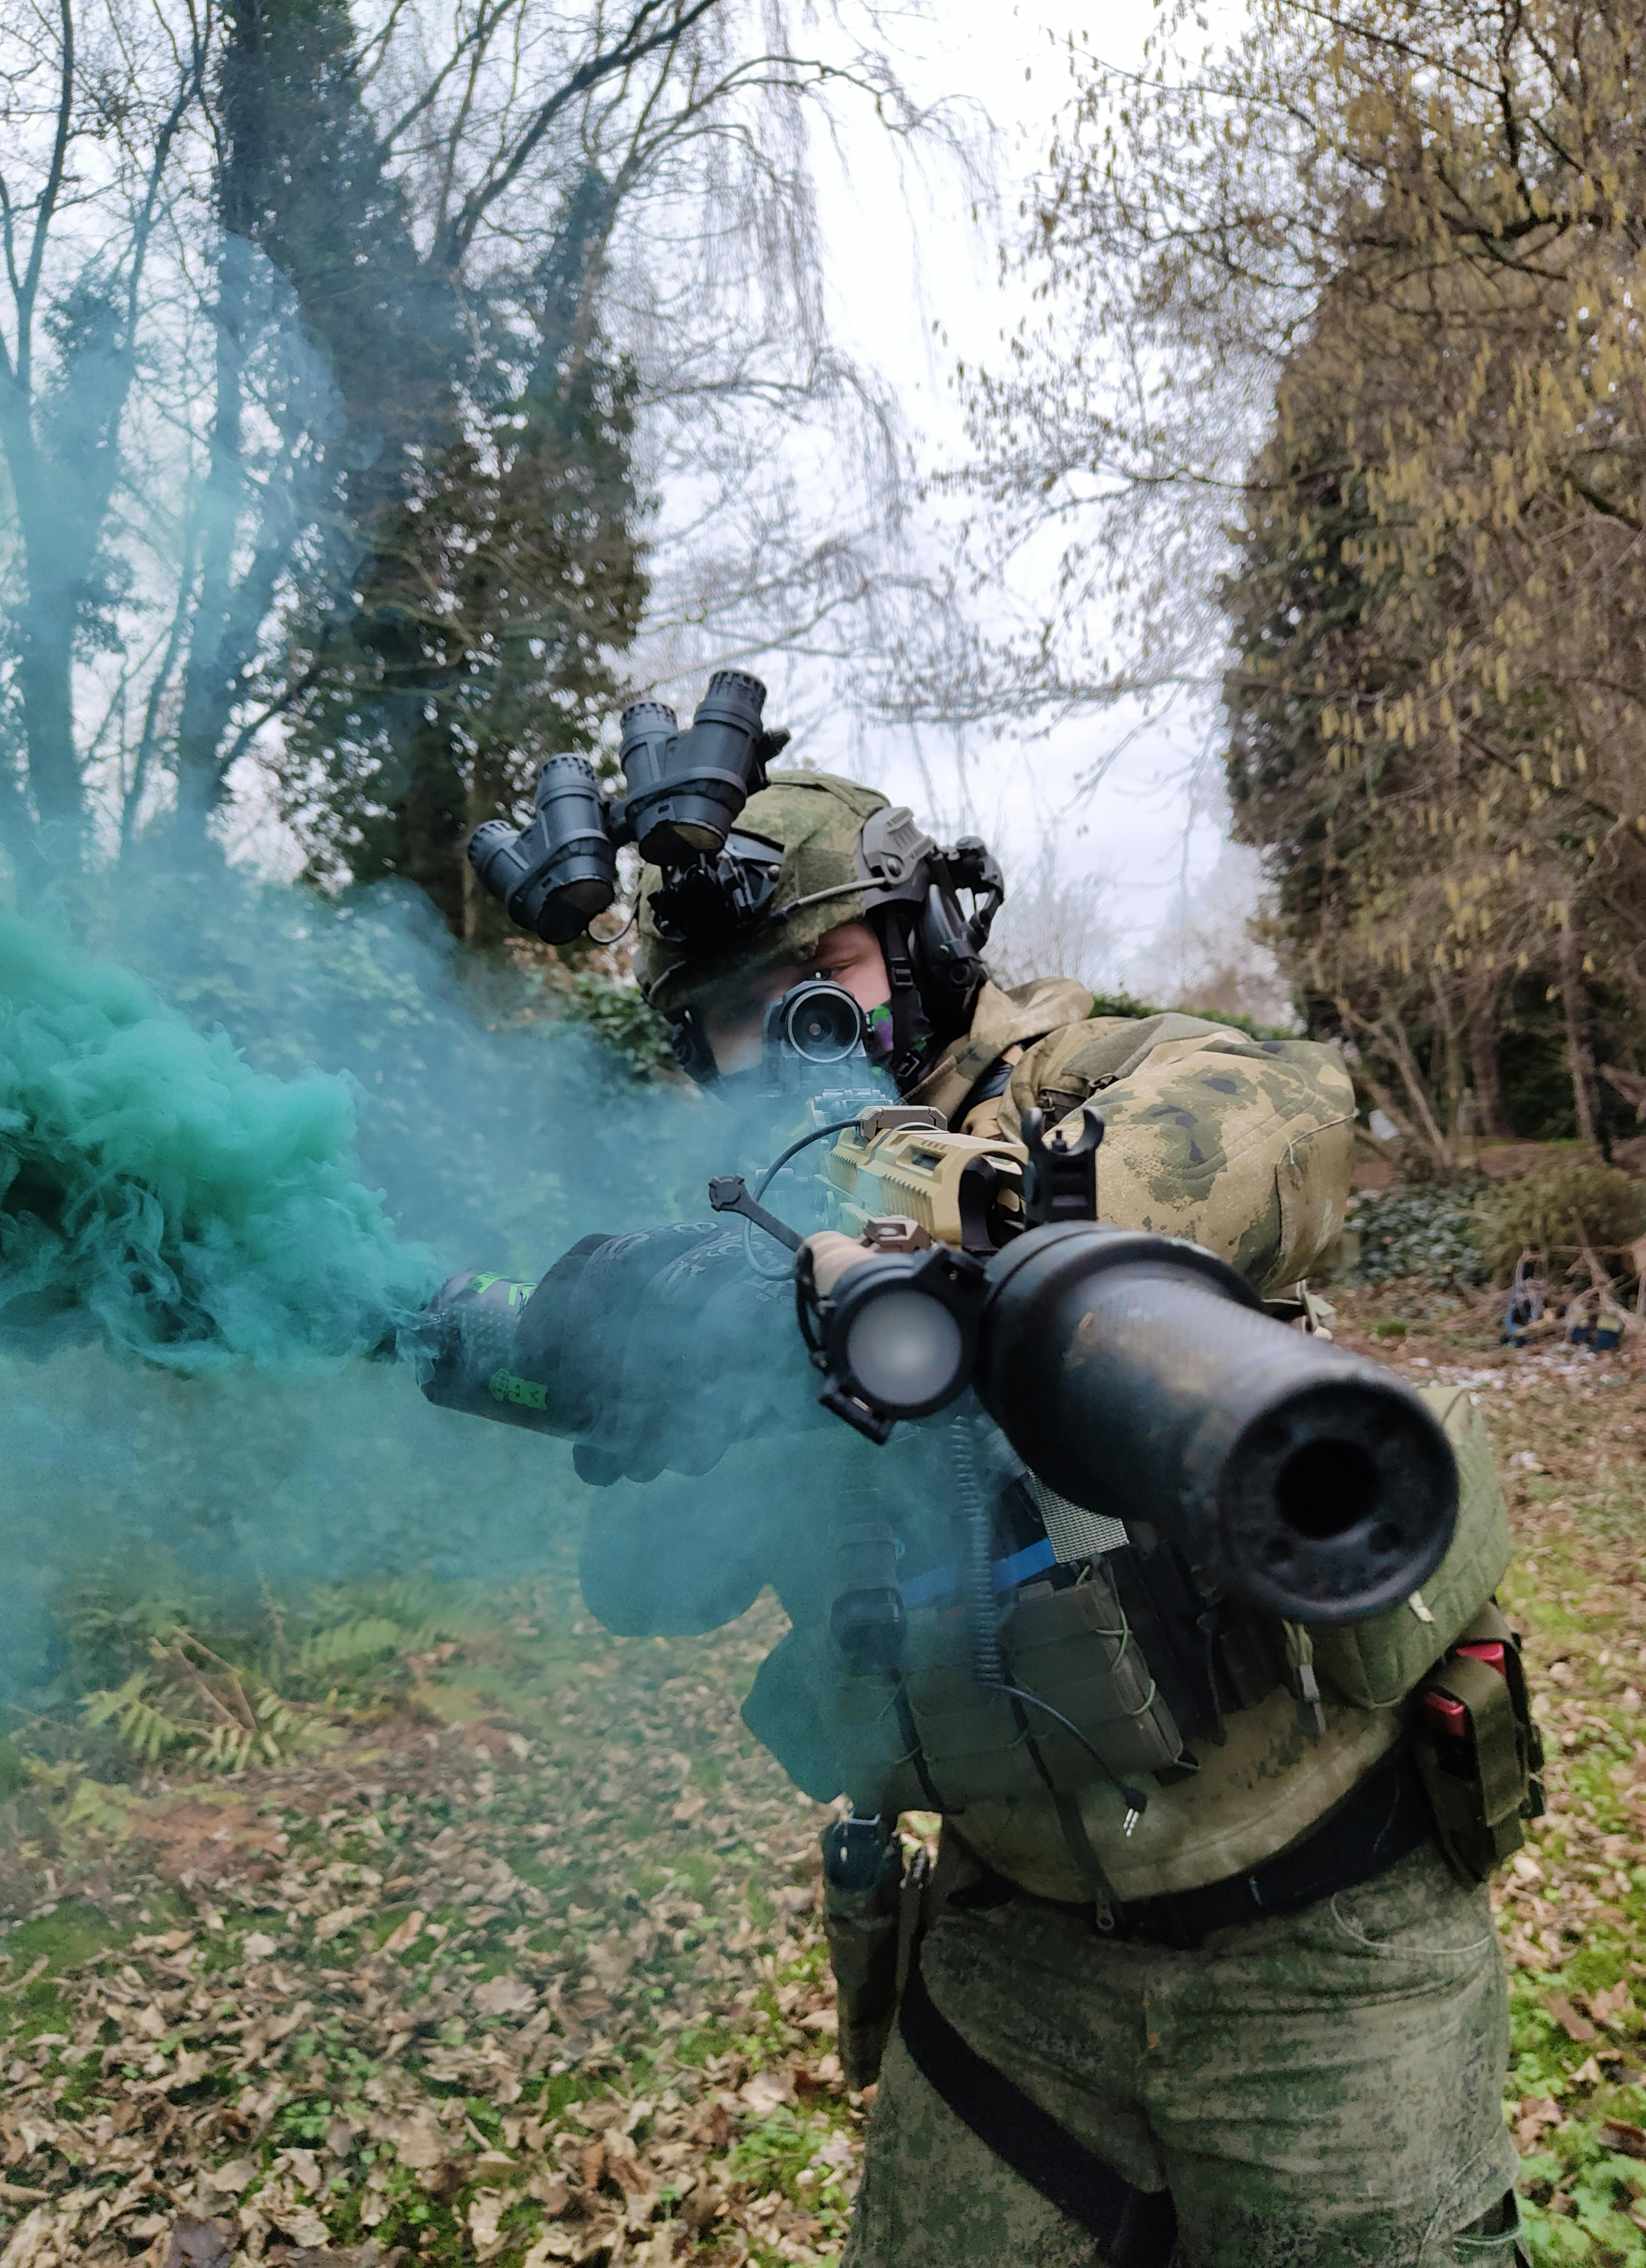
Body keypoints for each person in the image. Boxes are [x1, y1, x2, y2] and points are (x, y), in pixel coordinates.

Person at [425, 767, 1536, 2268]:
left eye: (825, 977)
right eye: (732, 1020)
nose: (786, 1041)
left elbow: (1271, 1131)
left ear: (927, 930)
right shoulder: (746, 1236)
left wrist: (896, 1219)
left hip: (1326, 1948)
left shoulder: (1100, 1075)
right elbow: (650, 1588)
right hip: (1018, 1957)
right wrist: (655, 1368)